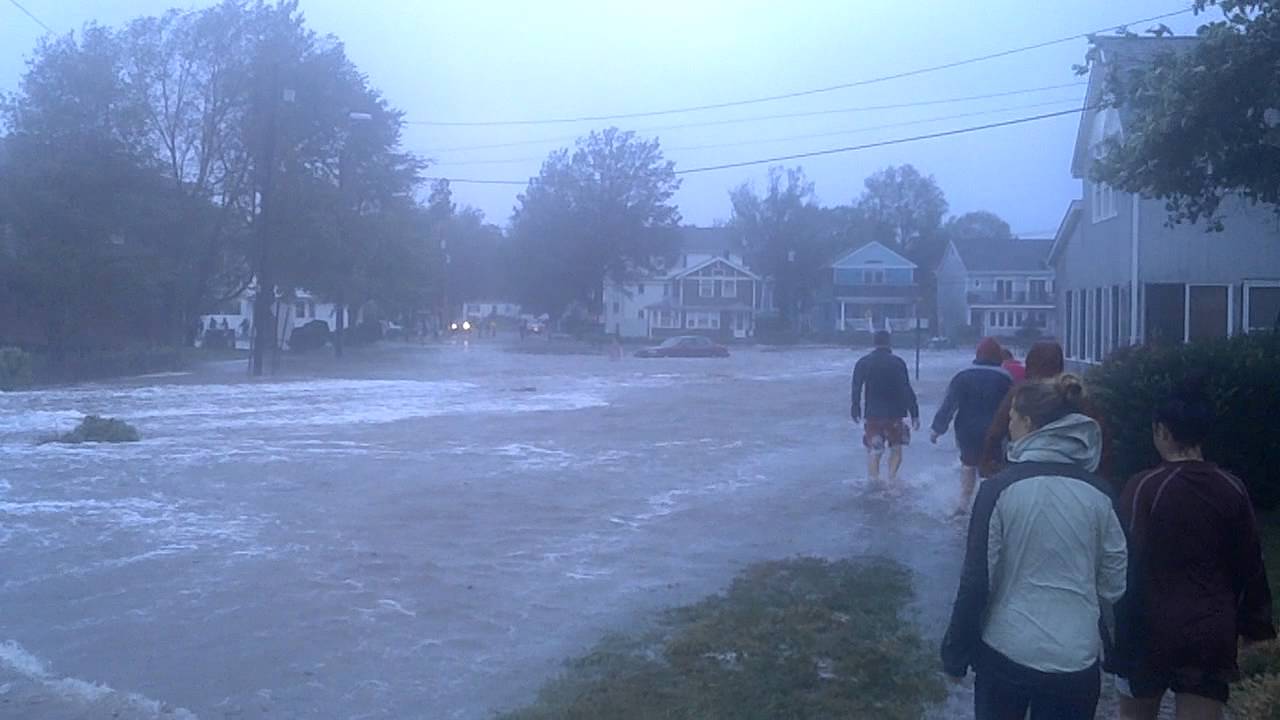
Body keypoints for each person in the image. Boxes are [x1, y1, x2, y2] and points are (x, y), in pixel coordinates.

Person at [942, 376, 1127, 720]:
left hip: (1005, 651)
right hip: (1077, 658)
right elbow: (1114, 585)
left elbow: (977, 580)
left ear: (1028, 423)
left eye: (1012, 417)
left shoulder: (997, 489)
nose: (1008, 426)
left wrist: (955, 653)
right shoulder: (1101, 494)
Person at [1112, 380, 1276, 720]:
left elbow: (1123, 558)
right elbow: (1250, 563)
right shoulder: (1232, 488)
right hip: (1209, 630)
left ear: (1161, 430)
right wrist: (1256, 626)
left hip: (1147, 628)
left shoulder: (1143, 488)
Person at [931, 337, 1014, 514]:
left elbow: (949, 405)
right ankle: (988, 507)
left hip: (966, 431)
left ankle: (963, 504)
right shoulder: (1006, 378)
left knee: (968, 463)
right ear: (998, 357)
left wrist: (937, 429)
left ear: (977, 355)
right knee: (990, 468)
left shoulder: (962, 376)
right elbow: (1012, 409)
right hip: (994, 432)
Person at [979, 340, 1066, 479]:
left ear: (1030, 362)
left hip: (1022, 465)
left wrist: (988, 463)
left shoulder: (1021, 392)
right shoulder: (1071, 392)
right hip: (1066, 465)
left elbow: (996, 430)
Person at [850, 330, 921, 490]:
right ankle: (892, 479)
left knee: (875, 449)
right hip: (894, 414)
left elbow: (856, 388)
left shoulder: (863, 362)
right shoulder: (898, 363)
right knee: (896, 449)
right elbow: (906, 388)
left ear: (874, 342)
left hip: (873, 415)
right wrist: (914, 413)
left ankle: (874, 481)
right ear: (889, 342)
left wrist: (855, 408)